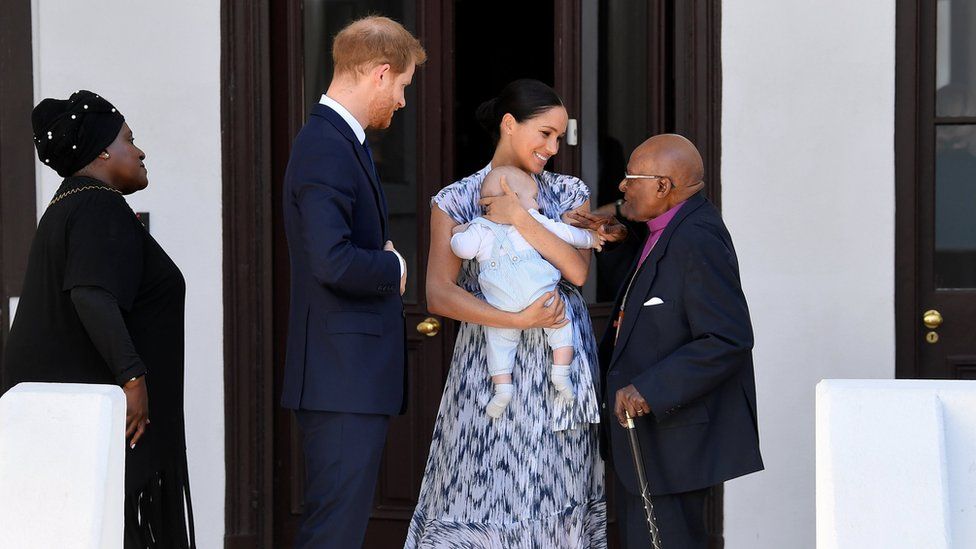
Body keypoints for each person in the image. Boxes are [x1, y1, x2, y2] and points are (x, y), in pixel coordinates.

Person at [406, 79, 619, 547]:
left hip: (557, 367)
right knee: (482, 488)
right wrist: (518, 321)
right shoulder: (457, 199)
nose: (552, 147)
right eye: (544, 133)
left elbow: (577, 271)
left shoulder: (565, 191)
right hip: (489, 366)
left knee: (553, 491)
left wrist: (521, 217)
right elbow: (438, 295)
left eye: (559, 138)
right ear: (508, 124)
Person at [1, 90, 195, 548]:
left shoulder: (71, 204)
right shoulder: (96, 204)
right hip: (98, 428)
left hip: (73, 427)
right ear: (102, 150)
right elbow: (90, 294)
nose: (141, 150)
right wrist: (133, 378)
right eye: (130, 138)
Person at [279, 15, 426, 549]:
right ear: (381, 74)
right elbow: (333, 262)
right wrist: (394, 268)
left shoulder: (342, 141)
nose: (403, 102)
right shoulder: (325, 145)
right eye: (404, 87)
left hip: (345, 377)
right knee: (333, 534)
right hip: (340, 379)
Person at [595, 134, 763, 548]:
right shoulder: (665, 228)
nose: (621, 187)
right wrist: (622, 237)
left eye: (631, 178)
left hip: (674, 442)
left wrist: (650, 389)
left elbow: (728, 338)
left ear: (663, 186)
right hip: (651, 441)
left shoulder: (697, 237)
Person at [450, 166, 606, 418]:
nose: (538, 205)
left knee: (498, 344)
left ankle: (502, 390)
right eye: (533, 198)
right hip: (539, 293)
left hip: (501, 304)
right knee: (560, 324)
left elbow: (463, 250)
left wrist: (458, 233)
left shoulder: (479, 228)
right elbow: (567, 234)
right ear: (511, 195)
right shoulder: (536, 220)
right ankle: (561, 372)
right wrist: (591, 240)